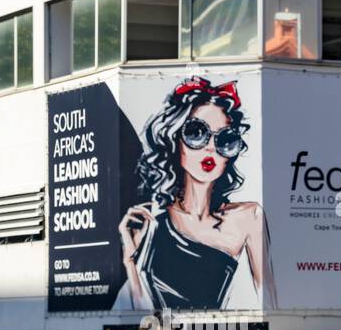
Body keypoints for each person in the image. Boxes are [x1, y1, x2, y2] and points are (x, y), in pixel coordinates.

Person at [116, 76, 277, 311]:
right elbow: (142, 317)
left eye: (225, 139)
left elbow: (271, 306)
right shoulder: (150, 220)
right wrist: (130, 262)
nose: (210, 147)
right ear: (174, 140)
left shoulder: (248, 218)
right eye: (196, 133)